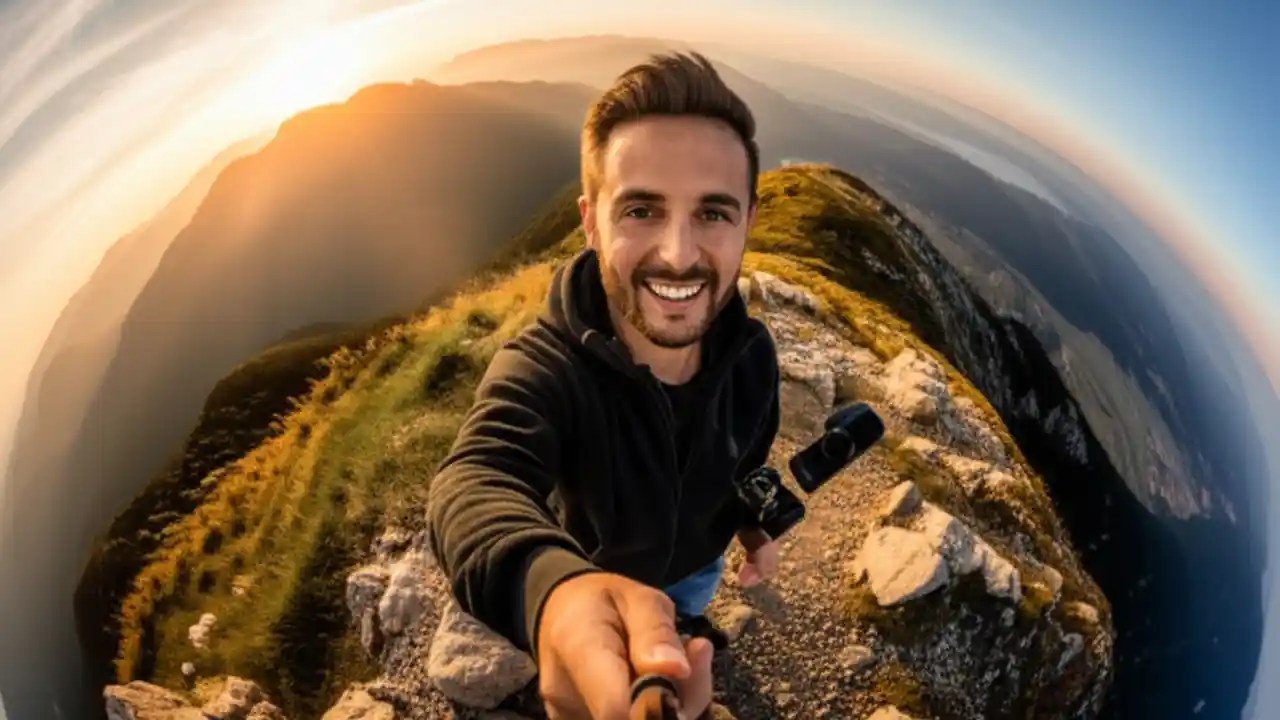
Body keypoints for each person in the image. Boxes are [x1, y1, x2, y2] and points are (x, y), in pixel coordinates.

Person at [426, 51, 781, 720]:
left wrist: (752, 523)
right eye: (642, 210)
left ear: (748, 223)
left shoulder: (755, 356)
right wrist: (556, 593)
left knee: (683, 622)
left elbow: (748, 456)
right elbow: (475, 478)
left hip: (699, 566)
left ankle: (682, 632)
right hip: (591, 570)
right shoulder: (543, 365)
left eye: (713, 213)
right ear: (589, 221)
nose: (678, 254)